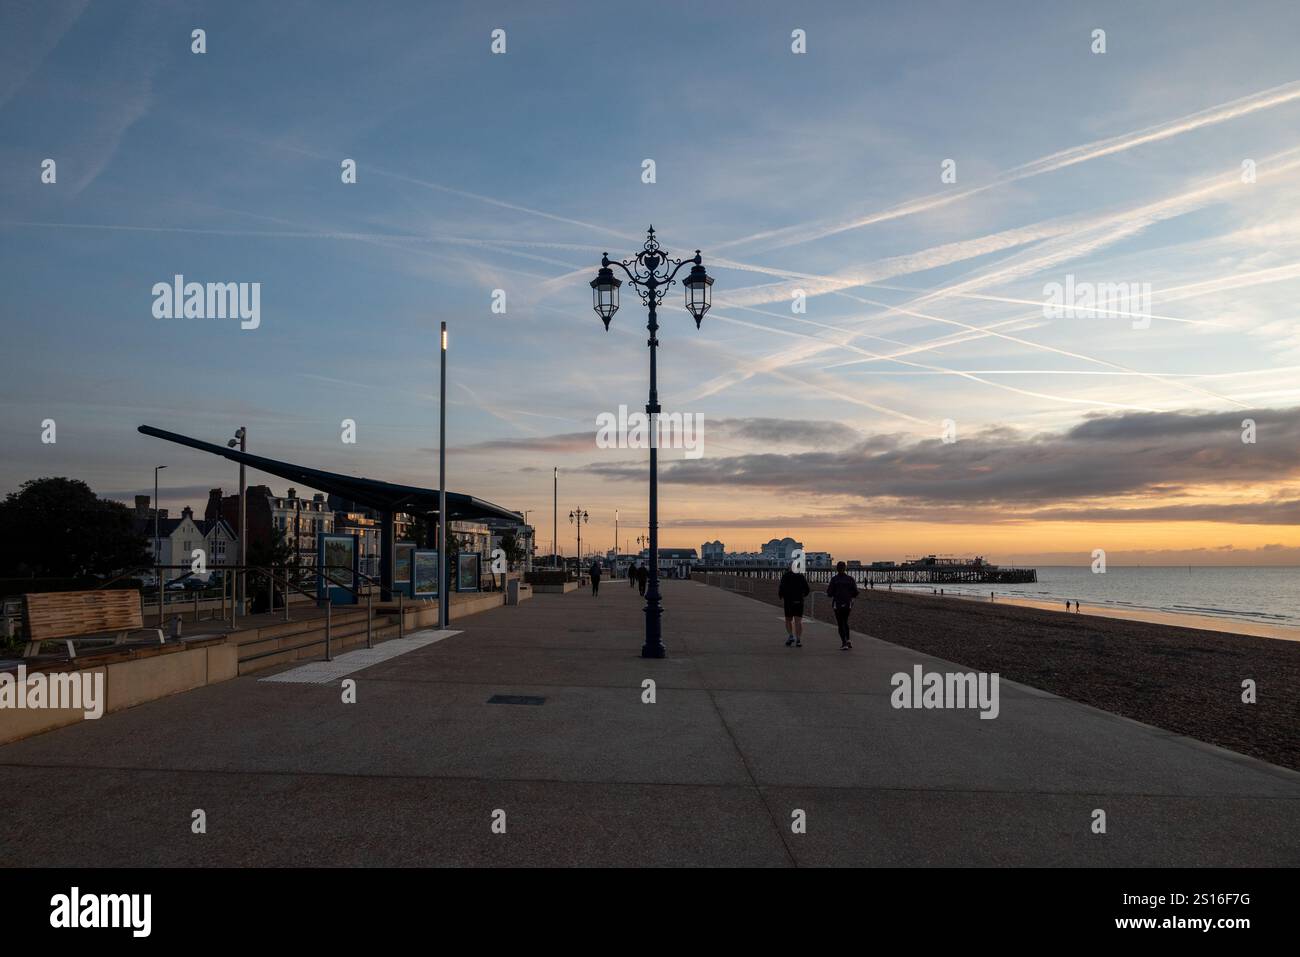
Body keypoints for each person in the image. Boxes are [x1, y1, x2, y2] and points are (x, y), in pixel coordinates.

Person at [826, 562, 860, 650]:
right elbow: (856, 592)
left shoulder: (834, 579)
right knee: (845, 621)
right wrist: (850, 597)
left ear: (837, 569)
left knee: (840, 623)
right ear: (845, 568)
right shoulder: (850, 579)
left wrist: (835, 593)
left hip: (837, 604)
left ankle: (844, 643)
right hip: (848, 603)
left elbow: (829, 593)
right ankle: (848, 640)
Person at [777, 565, 811, 647]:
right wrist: (803, 595)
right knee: (798, 621)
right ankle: (798, 639)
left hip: (788, 601)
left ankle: (791, 635)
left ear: (790, 568)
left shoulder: (785, 576)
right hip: (799, 601)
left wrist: (781, 595)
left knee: (788, 620)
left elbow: (781, 587)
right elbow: (807, 589)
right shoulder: (801, 576)